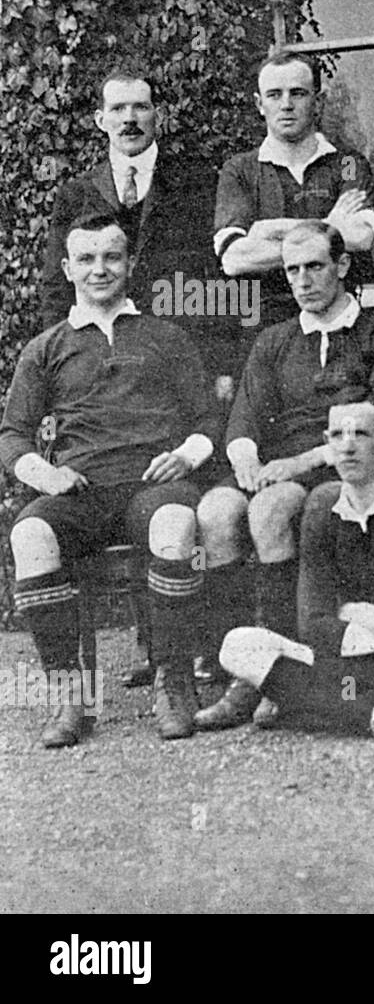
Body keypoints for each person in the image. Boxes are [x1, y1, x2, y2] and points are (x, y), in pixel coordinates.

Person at [1, 213, 221, 745]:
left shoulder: (165, 337)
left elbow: (209, 419)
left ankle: (172, 682)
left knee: (174, 523)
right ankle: (70, 694)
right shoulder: (46, 347)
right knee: (30, 534)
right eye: (87, 259)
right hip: (82, 491)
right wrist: (45, 475)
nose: (100, 270)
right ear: (67, 268)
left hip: (153, 483)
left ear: (129, 264)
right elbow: (12, 435)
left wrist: (187, 458)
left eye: (112, 258)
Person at [194, 222, 374, 728]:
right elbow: (245, 417)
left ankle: (274, 670)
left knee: (270, 510)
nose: (303, 280)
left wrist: (304, 461)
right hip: (276, 467)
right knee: (217, 510)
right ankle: (240, 669)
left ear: (342, 266)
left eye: (314, 266)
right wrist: (245, 457)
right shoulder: (275, 341)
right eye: (293, 270)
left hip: (338, 463)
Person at [208, 400, 374, 738]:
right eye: (337, 436)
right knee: (238, 645)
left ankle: (319, 706)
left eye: (361, 434)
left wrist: (359, 614)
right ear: (327, 443)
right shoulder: (324, 511)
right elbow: (313, 622)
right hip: (343, 663)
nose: (347, 446)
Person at [38, 63, 234, 393]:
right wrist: (60, 362)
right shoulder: (75, 195)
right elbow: (57, 287)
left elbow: (219, 279)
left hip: (180, 357)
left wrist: (223, 366)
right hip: (100, 359)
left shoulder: (197, 184)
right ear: (101, 120)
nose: (130, 119)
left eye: (140, 107)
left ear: (157, 114)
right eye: (118, 108)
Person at [213, 50, 374, 359]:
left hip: (342, 326)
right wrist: (328, 231)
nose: (286, 104)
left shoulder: (347, 163)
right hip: (265, 331)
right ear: (259, 104)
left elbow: (361, 236)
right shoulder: (240, 170)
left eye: (298, 93)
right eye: (274, 95)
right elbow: (234, 258)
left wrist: (269, 230)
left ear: (318, 102)